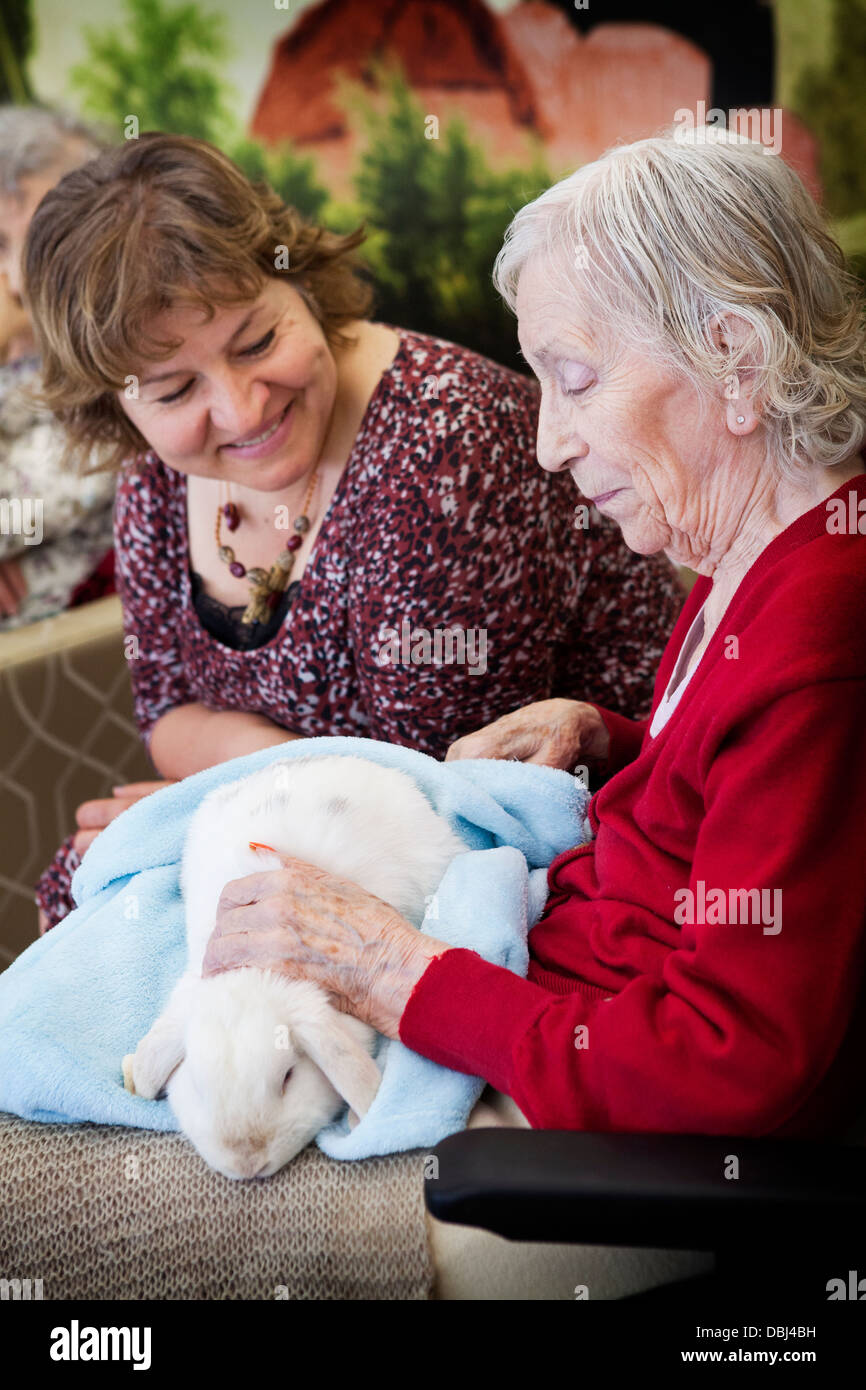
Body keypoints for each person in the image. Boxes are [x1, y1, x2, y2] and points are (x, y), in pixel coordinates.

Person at [196, 125, 866, 1148]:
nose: (549, 443)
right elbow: (737, 803)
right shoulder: (759, 550)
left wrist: (396, 974)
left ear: (732, 357)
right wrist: (610, 737)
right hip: (549, 979)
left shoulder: (820, 632)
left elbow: (728, 1062)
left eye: (576, 378)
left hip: (585, 1092)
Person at [24, 132, 683, 934]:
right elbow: (166, 709)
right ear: (114, 404)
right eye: (171, 389)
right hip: (317, 831)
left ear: (298, 280)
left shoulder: (445, 449)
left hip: (551, 861)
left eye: (259, 342)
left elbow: (446, 791)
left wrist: (226, 801)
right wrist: (253, 795)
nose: (240, 407)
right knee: (83, 889)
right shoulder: (153, 470)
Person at [0, 105, 116, 628]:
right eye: (1, 243)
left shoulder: (108, 374)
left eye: (51, 229)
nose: (20, 265)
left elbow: (17, 515)